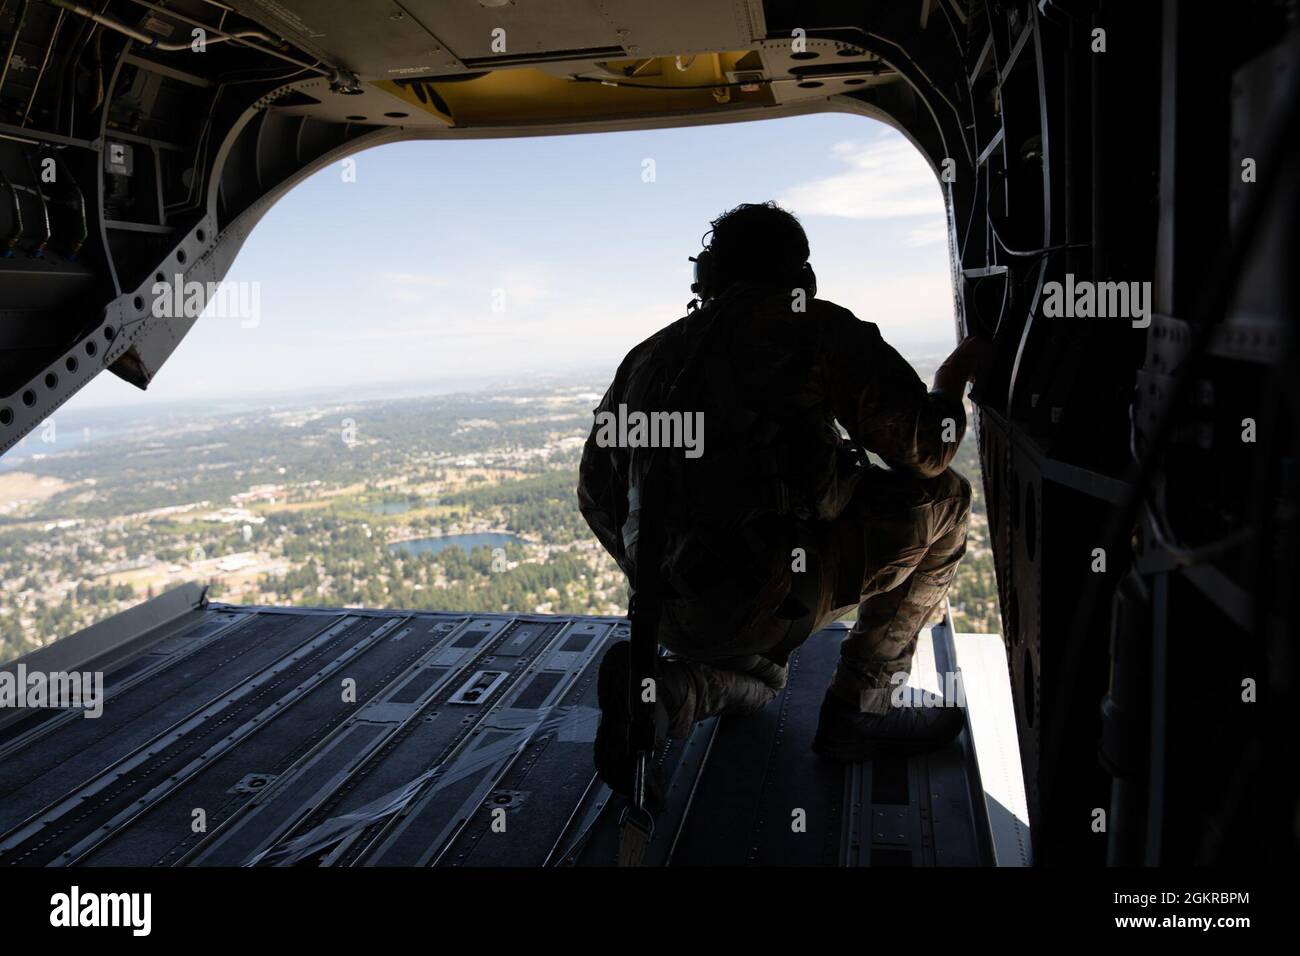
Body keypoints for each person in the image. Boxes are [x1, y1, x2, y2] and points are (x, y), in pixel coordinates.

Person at [577, 201, 992, 793]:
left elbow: (595, 495)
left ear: (708, 277)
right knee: (947, 499)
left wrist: (667, 571)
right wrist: (952, 381)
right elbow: (928, 450)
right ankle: (860, 711)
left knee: (766, 683)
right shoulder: (815, 328)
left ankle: (667, 694)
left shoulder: (647, 357)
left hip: (670, 612)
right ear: (801, 275)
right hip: (779, 595)